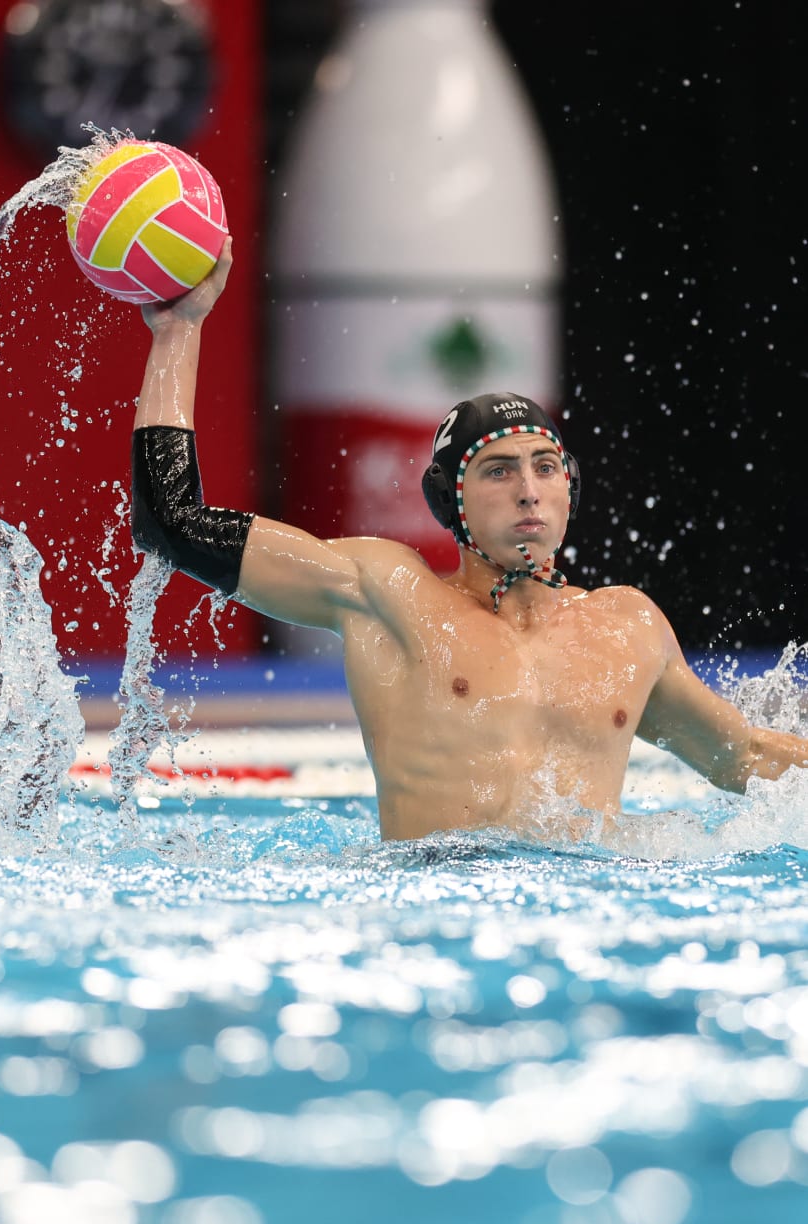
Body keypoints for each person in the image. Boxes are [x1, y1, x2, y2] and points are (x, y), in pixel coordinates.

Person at [131, 239, 808, 844]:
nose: (528, 489)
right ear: (445, 500)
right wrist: (179, 331)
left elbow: (744, 758)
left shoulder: (628, 626)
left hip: (585, 921)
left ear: (571, 490)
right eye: (498, 470)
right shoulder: (387, 594)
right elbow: (173, 524)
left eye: (546, 467)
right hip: (434, 914)